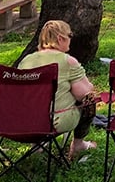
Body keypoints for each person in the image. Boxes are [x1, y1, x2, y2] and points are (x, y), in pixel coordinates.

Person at [18, 19, 97, 158]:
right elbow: (84, 94)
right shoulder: (67, 61)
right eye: (70, 35)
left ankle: (37, 145)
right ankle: (78, 144)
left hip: (24, 121)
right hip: (54, 122)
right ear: (60, 39)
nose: (71, 39)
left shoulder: (26, 60)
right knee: (89, 101)